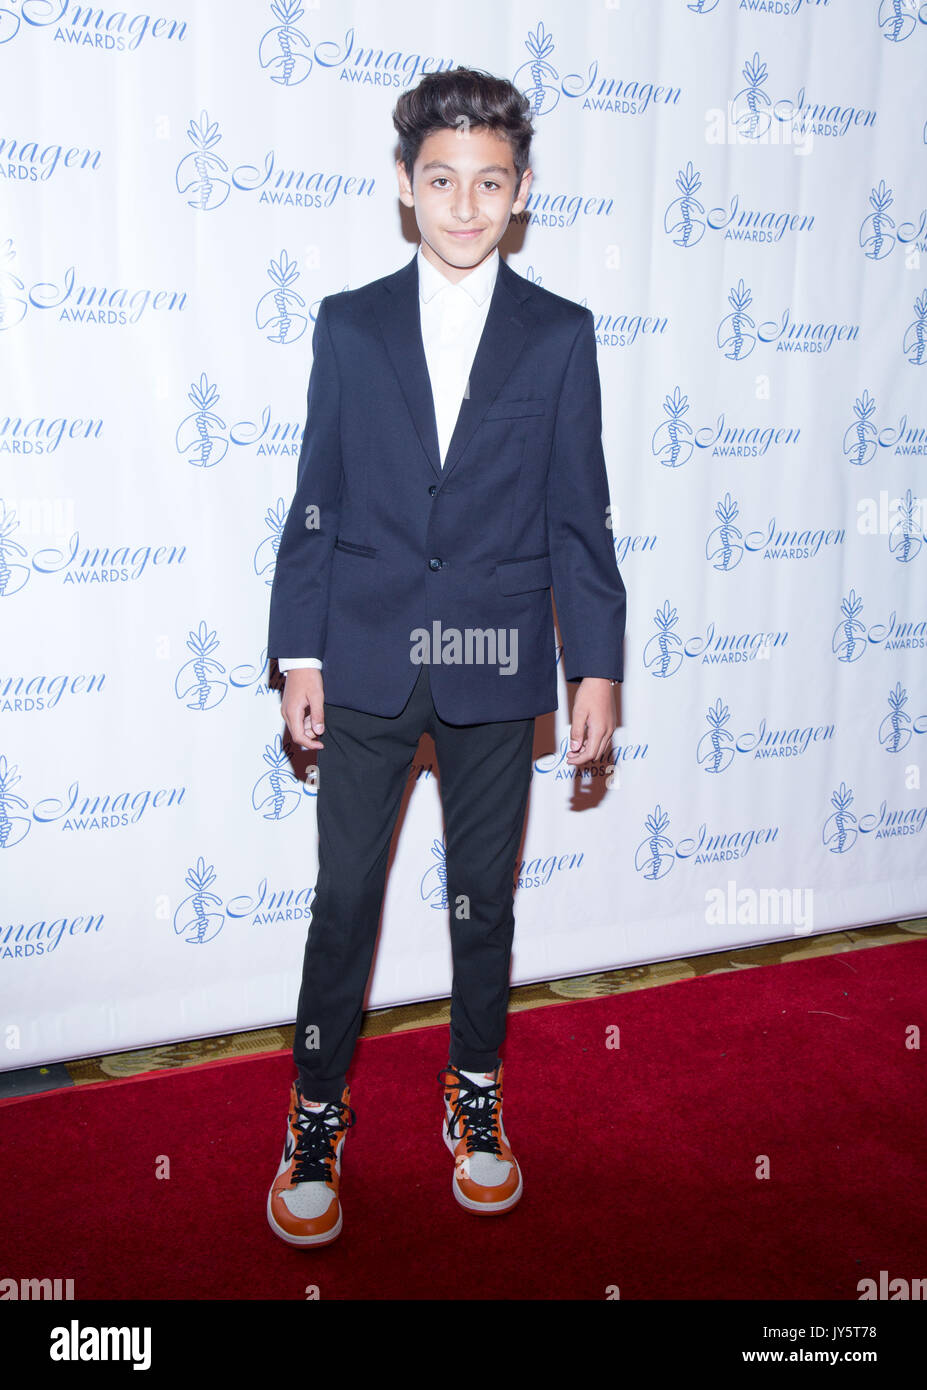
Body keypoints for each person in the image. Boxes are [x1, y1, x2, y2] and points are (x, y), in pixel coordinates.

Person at [265, 66, 626, 1246]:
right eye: (440, 180)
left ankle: (476, 1101)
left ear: (521, 193)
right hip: (362, 656)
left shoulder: (561, 335)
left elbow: (581, 519)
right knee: (344, 903)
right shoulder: (350, 322)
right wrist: (299, 651)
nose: (463, 205)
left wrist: (598, 670)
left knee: (484, 906)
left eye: (488, 182)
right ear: (406, 188)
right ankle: (316, 1109)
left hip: (495, 662)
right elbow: (314, 497)